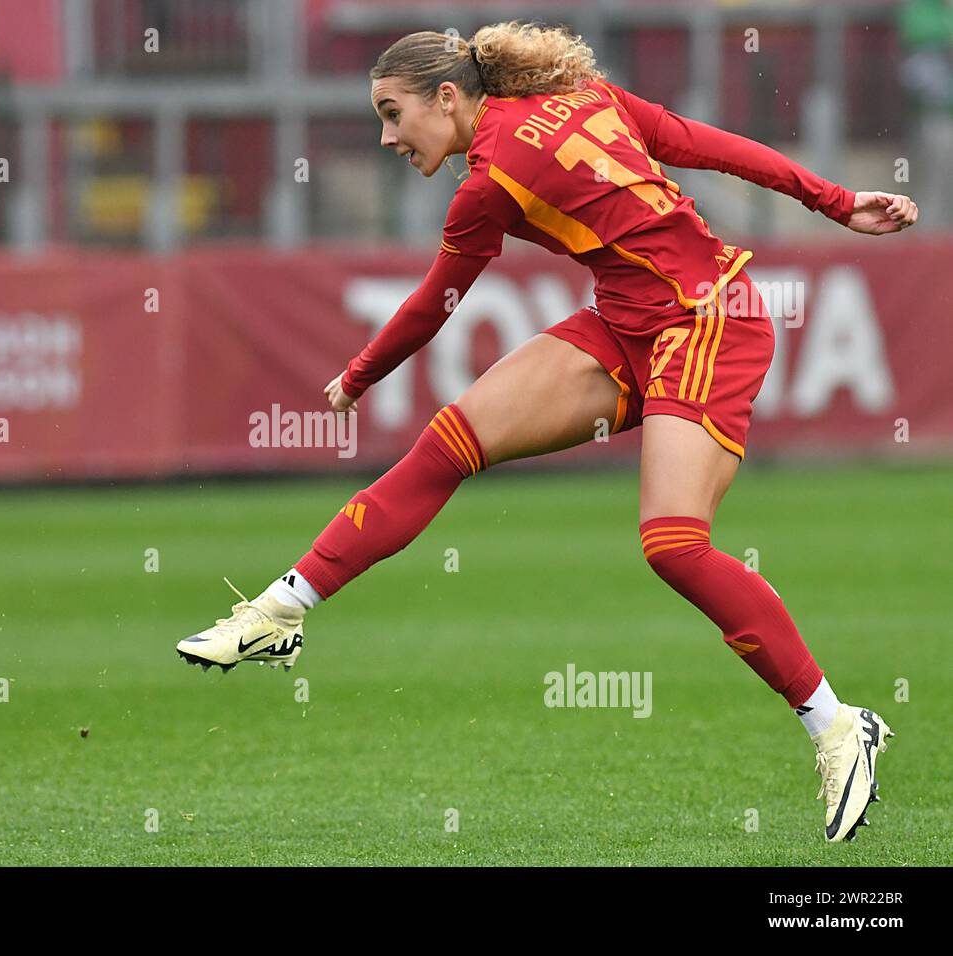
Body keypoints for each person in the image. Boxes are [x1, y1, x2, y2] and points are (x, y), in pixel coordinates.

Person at [175, 21, 916, 843]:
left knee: (673, 545)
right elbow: (713, 146)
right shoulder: (584, 98)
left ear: (448, 97)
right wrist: (838, 202)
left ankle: (838, 725)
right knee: (448, 442)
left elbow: (435, 302)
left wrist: (357, 375)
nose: (386, 136)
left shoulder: (490, 183)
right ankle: (281, 609)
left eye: (392, 113)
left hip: (710, 321)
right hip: (625, 323)